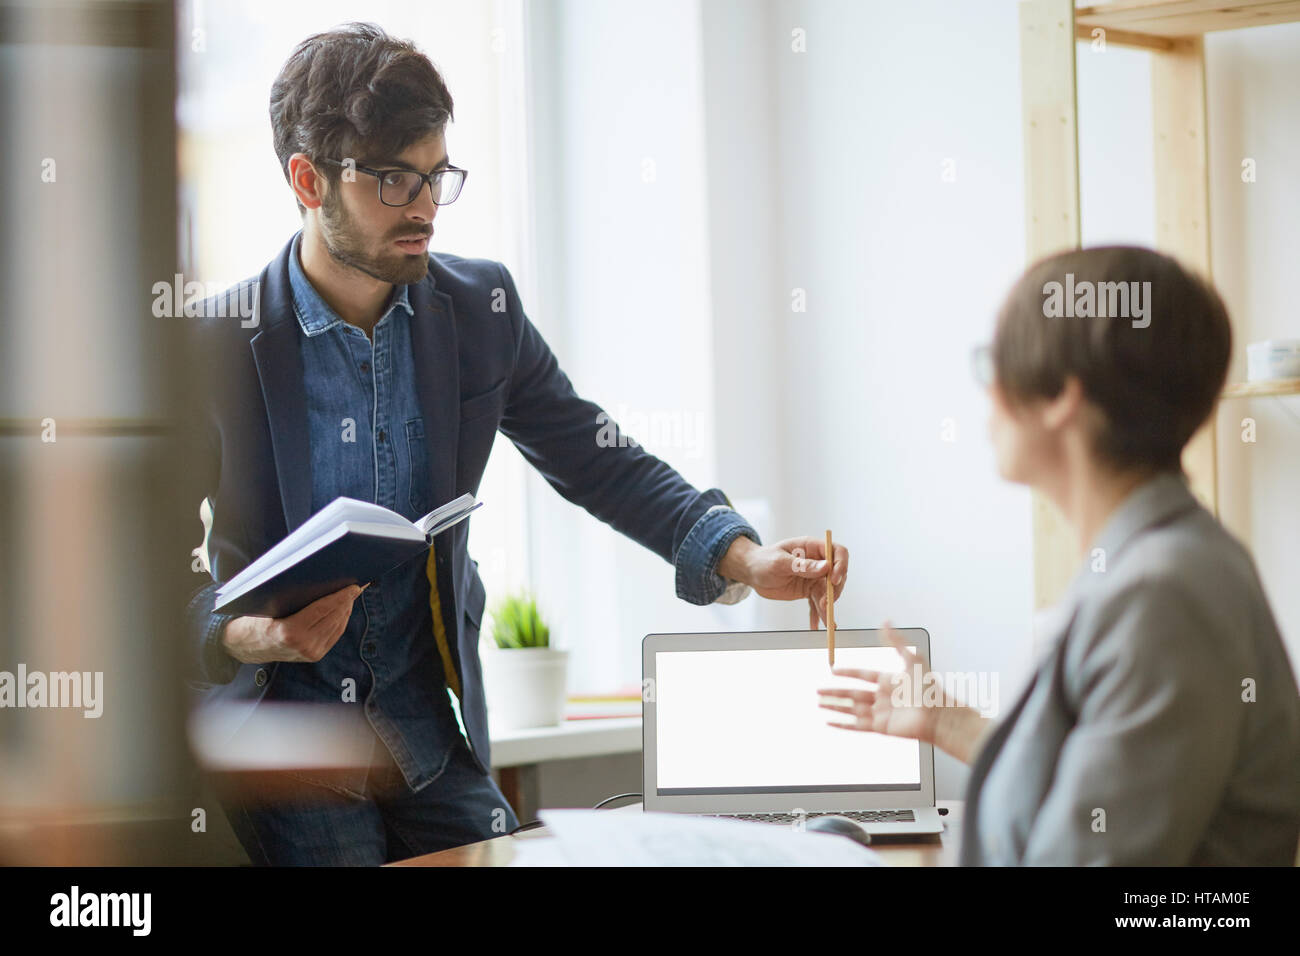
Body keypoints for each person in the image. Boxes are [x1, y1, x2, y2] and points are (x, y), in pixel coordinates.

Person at [182, 22, 849, 865]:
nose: (424, 206)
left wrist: (743, 559)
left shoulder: (479, 309)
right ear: (308, 180)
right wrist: (249, 635)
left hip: (432, 740)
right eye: (394, 180)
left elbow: (594, 455)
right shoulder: (214, 344)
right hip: (289, 746)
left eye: (435, 176)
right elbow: (135, 579)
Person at [819, 245, 1300, 865]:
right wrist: (948, 724)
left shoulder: (1160, 595)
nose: (986, 394)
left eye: (995, 363)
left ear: (1061, 399)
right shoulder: (1160, 565)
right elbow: (1095, 797)